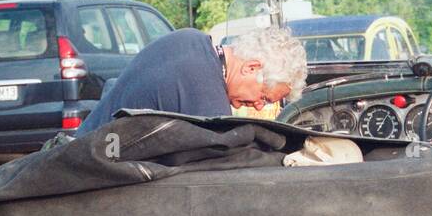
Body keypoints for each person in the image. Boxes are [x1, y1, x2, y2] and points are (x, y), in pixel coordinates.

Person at [75, 26, 307, 135]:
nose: (259, 106)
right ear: (251, 68)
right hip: (91, 178)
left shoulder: (190, 38)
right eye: (264, 97)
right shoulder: (204, 92)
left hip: (84, 146)